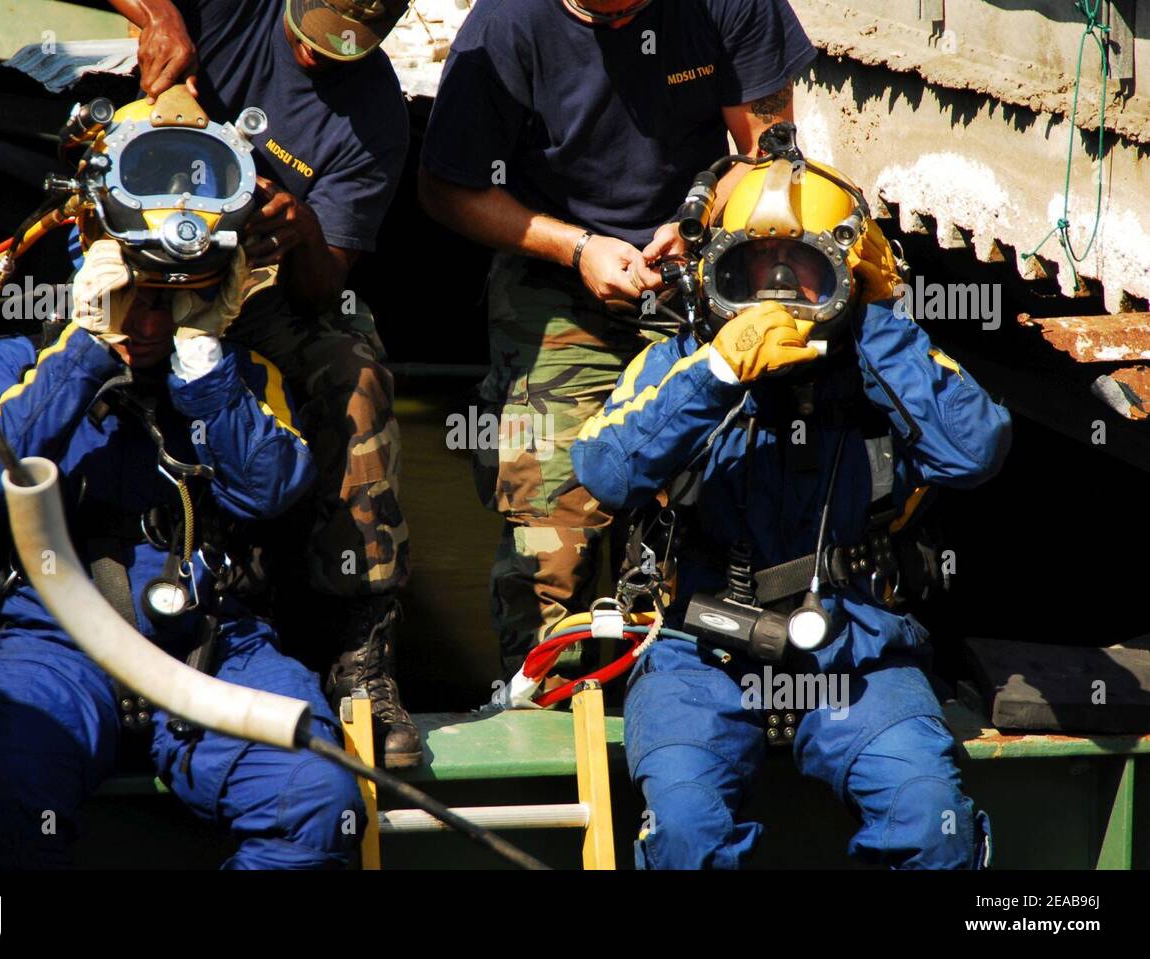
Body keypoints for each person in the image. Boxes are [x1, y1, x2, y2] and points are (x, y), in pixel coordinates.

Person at [570, 145, 1012, 869]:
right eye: (754, 269)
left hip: (856, 645)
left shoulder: (882, 359)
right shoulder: (680, 363)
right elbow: (603, 470)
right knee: (682, 830)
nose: (777, 291)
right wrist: (716, 371)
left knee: (932, 824)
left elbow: (973, 450)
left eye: (804, 270)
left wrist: (869, 321)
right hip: (698, 652)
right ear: (717, 273)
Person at [418, 0, 817, 678]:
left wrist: (699, 224)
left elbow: (770, 157)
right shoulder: (506, 25)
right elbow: (446, 188)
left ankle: (702, 685)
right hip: (555, 266)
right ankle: (541, 685)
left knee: (737, 478)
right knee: (551, 519)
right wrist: (578, 249)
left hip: (695, 261)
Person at [0, 238, 365, 869]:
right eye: (125, 298)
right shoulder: (6, 361)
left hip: (210, 646)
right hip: (51, 650)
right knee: (6, 797)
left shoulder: (242, 373)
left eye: (164, 303)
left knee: (317, 801)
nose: (141, 324)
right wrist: (85, 347)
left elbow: (270, 489)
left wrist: (202, 366)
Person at [108, 0, 420, 766]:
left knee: (355, 372)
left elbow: (324, 284)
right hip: (139, 249)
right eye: (314, 34)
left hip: (257, 286)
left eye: (346, 47)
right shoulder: (232, 10)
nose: (319, 57)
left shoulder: (377, 114)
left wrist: (306, 229)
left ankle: (361, 652)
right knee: (70, 335)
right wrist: (158, 17)